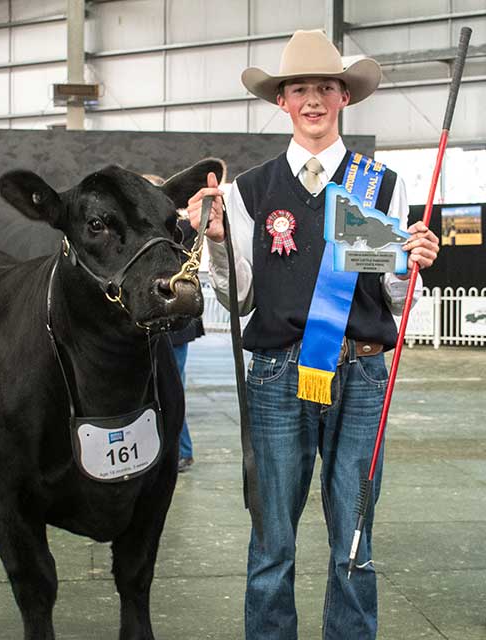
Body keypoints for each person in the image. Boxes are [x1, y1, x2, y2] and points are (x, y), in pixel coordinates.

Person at [186, 29, 439, 640]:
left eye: (326, 87)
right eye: (300, 89)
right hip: (278, 374)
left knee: (354, 535)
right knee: (273, 541)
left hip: (363, 371)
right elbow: (237, 296)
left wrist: (413, 264)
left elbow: (394, 300)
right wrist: (216, 243)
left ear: (344, 96)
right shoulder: (249, 191)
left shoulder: (384, 185)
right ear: (282, 101)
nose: (313, 100)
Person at [145, 172, 204, 473]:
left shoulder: (181, 229)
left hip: (176, 326)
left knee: (172, 388)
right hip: (157, 323)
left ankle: (182, 451)